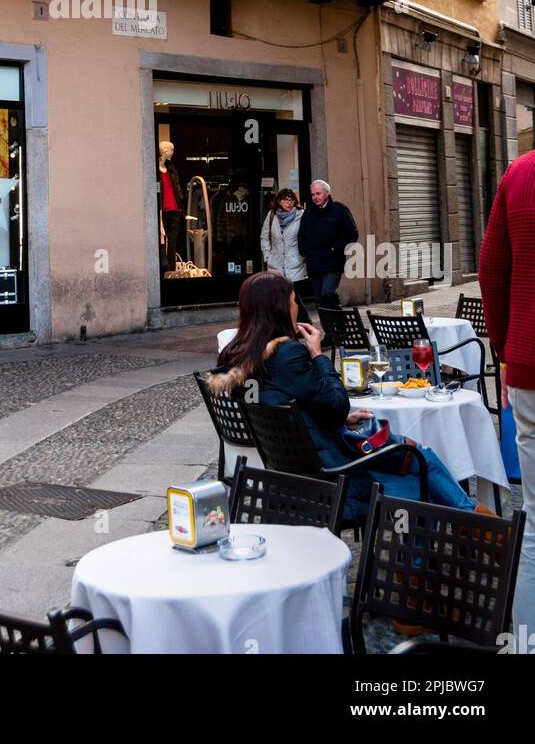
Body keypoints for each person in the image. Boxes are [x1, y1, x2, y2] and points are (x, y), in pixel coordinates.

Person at [208, 271, 491, 526]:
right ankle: (478, 527)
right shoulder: (288, 355)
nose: (296, 308)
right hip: (332, 478)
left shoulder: (237, 359)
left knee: (418, 461)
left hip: (289, 475)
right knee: (421, 471)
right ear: (280, 307)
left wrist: (342, 420)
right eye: (294, 301)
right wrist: (317, 355)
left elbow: (294, 408)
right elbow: (336, 405)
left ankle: (472, 527)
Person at [479, 149, 535, 635]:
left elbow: (491, 270)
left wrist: (503, 350)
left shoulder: (520, 173)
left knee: (534, 521)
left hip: (528, 367)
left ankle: (527, 642)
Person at [298, 178, 358, 317]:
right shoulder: (308, 213)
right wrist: (305, 251)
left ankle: (339, 325)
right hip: (314, 263)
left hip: (333, 262)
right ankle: (329, 329)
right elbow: (301, 235)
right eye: (313, 194)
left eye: (318, 194)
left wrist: (336, 248)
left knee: (327, 294)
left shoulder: (340, 210)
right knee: (319, 300)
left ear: (327, 193)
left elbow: (352, 233)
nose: (315, 197)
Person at [260, 188, 308, 297]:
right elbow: (264, 237)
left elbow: (307, 236)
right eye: (286, 200)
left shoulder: (301, 215)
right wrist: (267, 256)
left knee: (292, 296)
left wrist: (303, 255)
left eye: (291, 200)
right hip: (275, 263)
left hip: (295, 263)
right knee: (279, 296)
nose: (289, 203)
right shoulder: (272, 215)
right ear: (279, 201)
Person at [158, 140, 184, 271]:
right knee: (161, 240)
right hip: (162, 211)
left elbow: (177, 187)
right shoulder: (155, 170)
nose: (173, 152)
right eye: (171, 150)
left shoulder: (171, 169)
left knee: (172, 242)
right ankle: (162, 269)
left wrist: (180, 205)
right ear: (165, 151)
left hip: (175, 210)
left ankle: (171, 270)